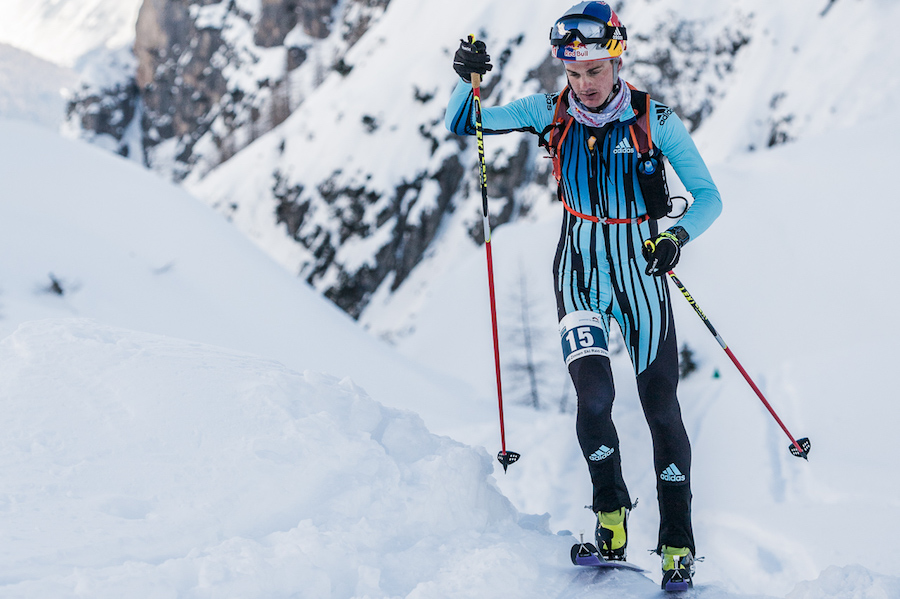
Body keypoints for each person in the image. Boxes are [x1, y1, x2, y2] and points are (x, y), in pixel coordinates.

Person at [445, 1, 722, 590]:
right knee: (593, 398)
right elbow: (465, 125)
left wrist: (675, 236)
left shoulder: (654, 118)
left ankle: (678, 543)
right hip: (577, 272)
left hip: (642, 274)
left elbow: (708, 197)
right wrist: (465, 83)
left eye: (594, 71)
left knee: (660, 408)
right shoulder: (549, 112)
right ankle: (610, 520)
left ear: (615, 59)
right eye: (573, 74)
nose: (584, 85)